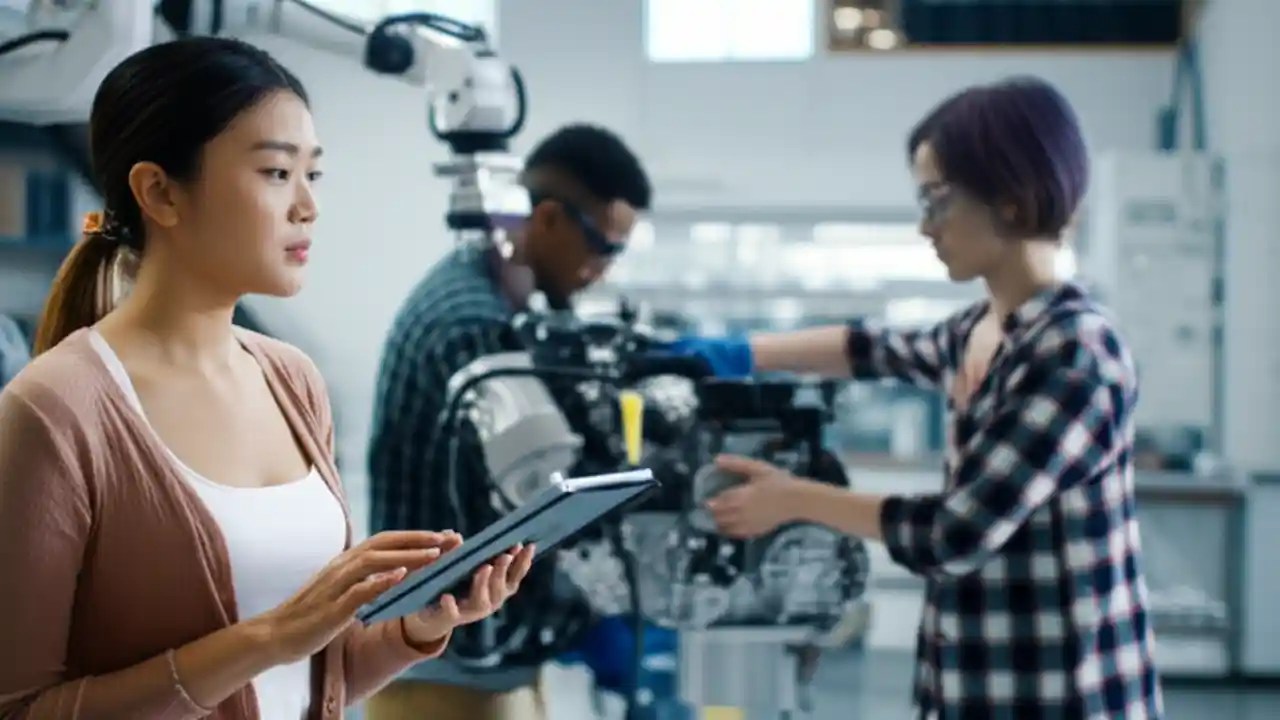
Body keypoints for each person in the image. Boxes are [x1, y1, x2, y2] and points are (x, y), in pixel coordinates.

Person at [0, 37, 534, 720]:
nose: (307, 206)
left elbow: (314, 672)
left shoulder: (292, 380)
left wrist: (416, 627)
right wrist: (268, 638)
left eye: (314, 174)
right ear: (159, 191)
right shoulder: (58, 410)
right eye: (277, 173)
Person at [670, 77, 1165, 719]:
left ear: (1011, 202)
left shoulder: (1076, 354)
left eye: (937, 200)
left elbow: (954, 532)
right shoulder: (981, 331)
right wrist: (733, 354)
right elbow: (865, 348)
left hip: (1064, 693)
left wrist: (791, 501)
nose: (925, 226)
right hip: (970, 686)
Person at [366, 123, 652, 720]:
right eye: (603, 246)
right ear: (548, 219)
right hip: (443, 671)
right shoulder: (472, 324)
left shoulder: (494, 302)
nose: (604, 269)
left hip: (481, 663)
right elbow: (548, 491)